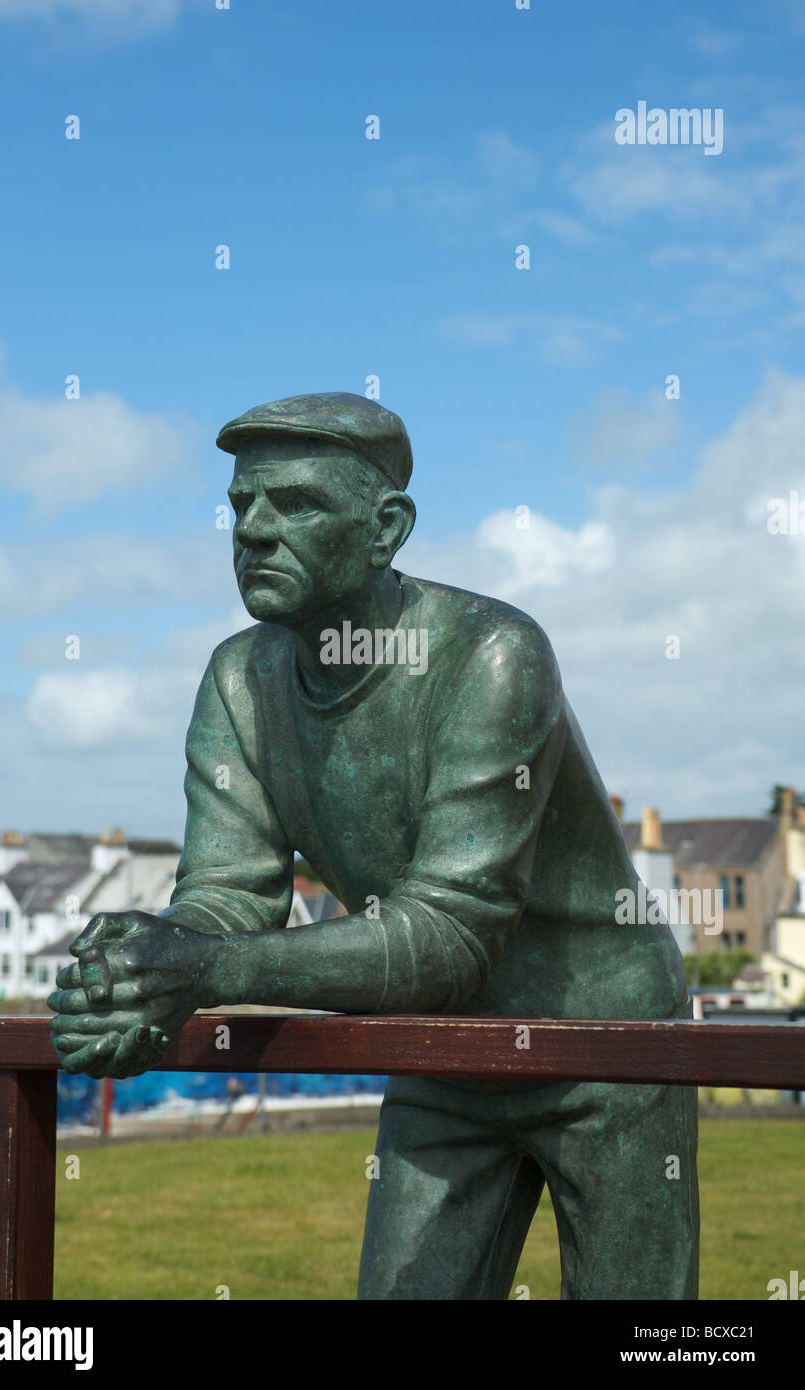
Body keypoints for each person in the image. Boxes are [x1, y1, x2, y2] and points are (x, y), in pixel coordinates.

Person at [49, 392, 699, 1299]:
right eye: (241, 507)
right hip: (441, 1049)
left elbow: (452, 932)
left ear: (386, 526)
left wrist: (205, 972)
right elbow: (227, 897)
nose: (254, 531)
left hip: (603, 1047)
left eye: (296, 505)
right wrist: (143, 967)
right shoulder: (240, 678)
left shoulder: (491, 653)